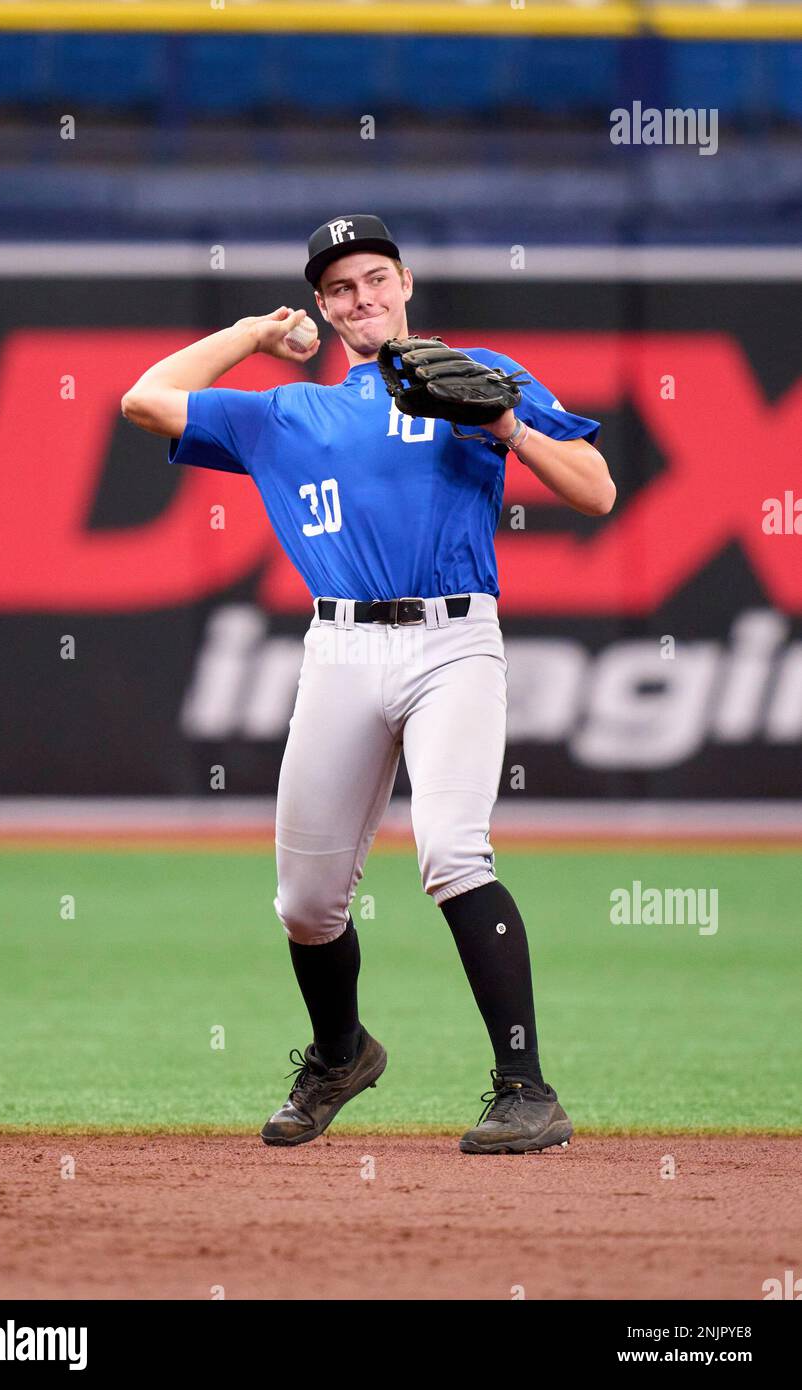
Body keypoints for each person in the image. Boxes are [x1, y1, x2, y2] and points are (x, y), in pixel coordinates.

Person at [122, 214, 615, 1155]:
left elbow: (595, 491)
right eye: (341, 288)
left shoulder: (477, 376)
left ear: (407, 281)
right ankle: (341, 1053)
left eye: (377, 278)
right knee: (305, 904)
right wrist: (255, 338)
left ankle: (527, 1089)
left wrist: (506, 422)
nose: (363, 298)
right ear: (322, 305)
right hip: (339, 648)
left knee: (453, 851)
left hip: (454, 641)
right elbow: (146, 401)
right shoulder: (286, 414)